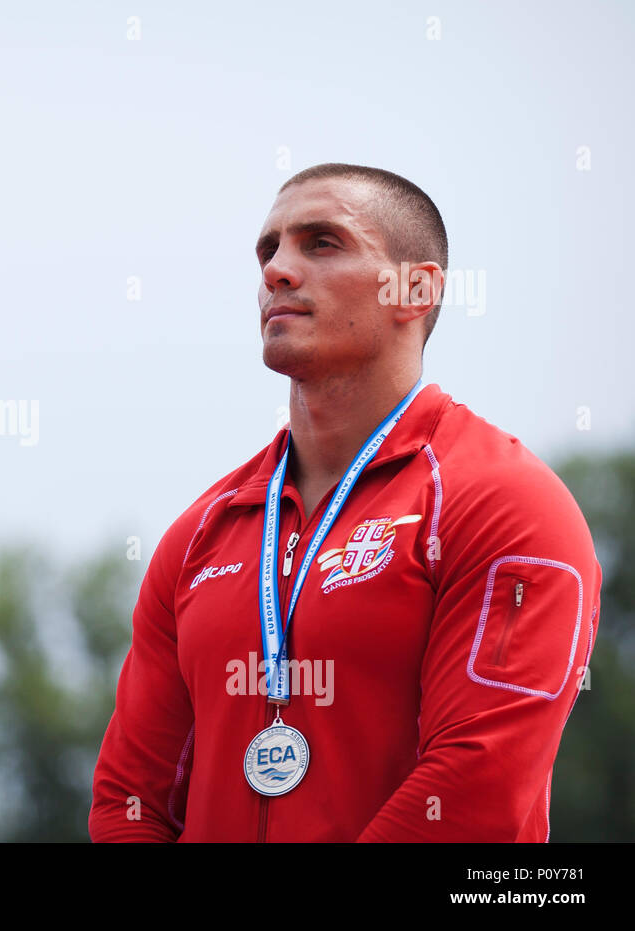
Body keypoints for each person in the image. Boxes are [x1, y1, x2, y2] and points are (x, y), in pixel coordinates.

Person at [89, 163, 601, 842]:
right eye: (268, 250)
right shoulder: (200, 534)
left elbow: (477, 786)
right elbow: (131, 801)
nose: (276, 270)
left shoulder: (505, 503)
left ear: (416, 288)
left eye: (321, 243)